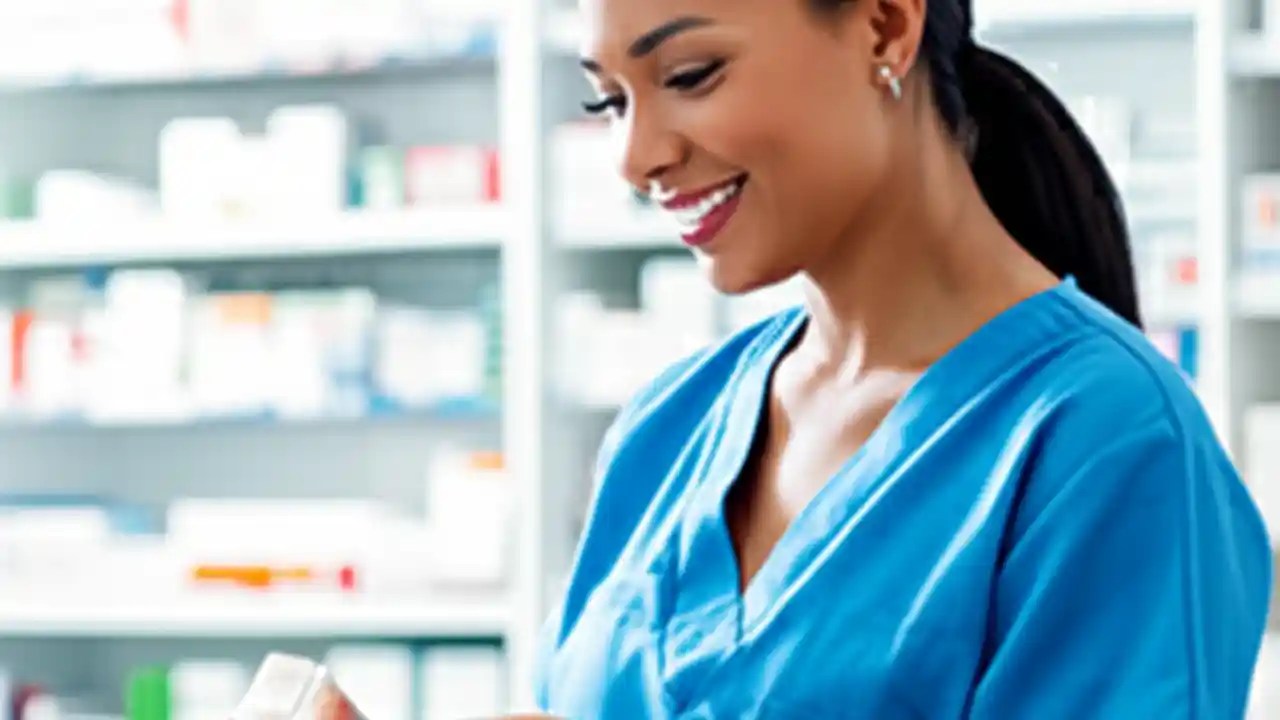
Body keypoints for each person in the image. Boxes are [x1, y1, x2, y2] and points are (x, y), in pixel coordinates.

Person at [532, 0, 1275, 717]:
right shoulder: (665, 428)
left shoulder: (1105, 437)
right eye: (610, 103)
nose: (636, 159)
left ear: (885, 26)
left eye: (691, 74)